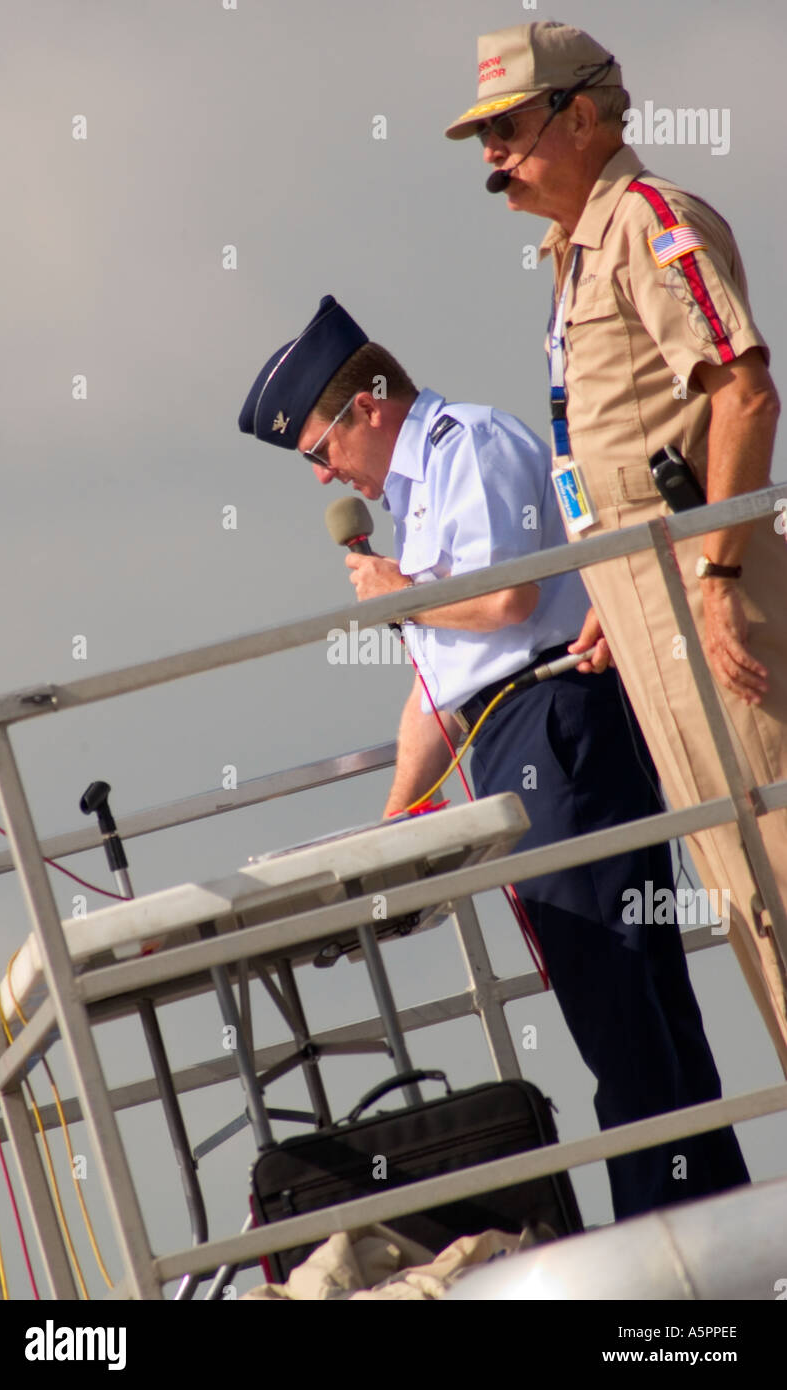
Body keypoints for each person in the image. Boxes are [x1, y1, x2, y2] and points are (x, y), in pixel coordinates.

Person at [238, 293, 750, 1221]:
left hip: (557, 725)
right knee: (633, 1010)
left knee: (623, 1007)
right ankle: (722, 1244)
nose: (321, 477)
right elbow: (443, 689)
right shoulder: (419, 495)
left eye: (318, 450)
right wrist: (395, 822)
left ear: (370, 404)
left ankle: (669, 1261)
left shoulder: (468, 447)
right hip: (515, 734)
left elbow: (508, 607)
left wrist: (401, 594)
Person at [443, 19, 787, 1072]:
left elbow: (741, 395)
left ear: (580, 114)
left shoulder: (644, 222)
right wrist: (613, 588)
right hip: (651, 609)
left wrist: (716, 573)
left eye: (507, 129)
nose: (494, 157)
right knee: (746, 892)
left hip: (709, 601)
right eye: (483, 139)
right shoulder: (576, 251)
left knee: (774, 861)